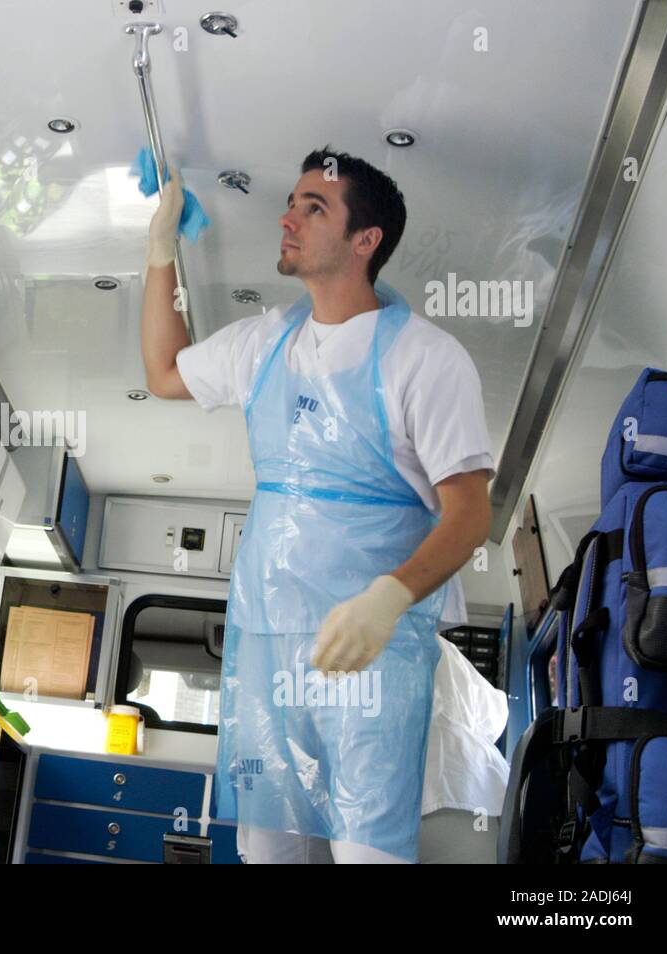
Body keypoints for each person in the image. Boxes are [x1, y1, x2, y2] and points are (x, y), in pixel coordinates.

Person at [140, 148, 494, 863]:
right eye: (293, 201)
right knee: (268, 853)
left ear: (366, 241)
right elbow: (164, 373)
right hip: (267, 651)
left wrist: (389, 598)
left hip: (371, 654)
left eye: (314, 207)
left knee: (368, 853)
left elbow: (471, 514)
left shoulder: (426, 359)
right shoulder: (265, 342)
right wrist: (158, 248)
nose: (288, 217)